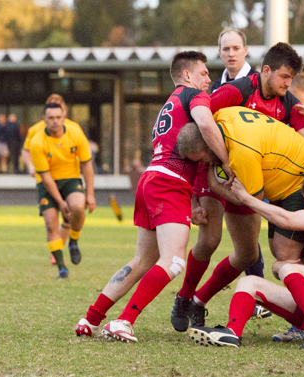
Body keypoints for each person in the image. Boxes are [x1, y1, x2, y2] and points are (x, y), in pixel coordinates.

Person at [74, 51, 228, 343]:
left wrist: (194, 202)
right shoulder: (194, 95)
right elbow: (206, 126)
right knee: (174, 262)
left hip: (151, 178)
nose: (209, 78)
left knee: (143, 259)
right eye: (204, 72)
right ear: (187, 75)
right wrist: (226, 160)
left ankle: (91, 318)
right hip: (170, 182)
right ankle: (124, 321)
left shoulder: (169, 104)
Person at [173, 41, 304, 332]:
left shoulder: (288, 101)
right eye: (285, 77)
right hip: (212, 170)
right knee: (209, 240)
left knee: (249, 254)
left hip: (249, 181)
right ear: (266, 71)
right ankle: (185, 297)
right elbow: (193, 135)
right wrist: (195, 196)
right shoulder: (235, 91)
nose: (289, 84)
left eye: (292, 79)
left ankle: (199, 300)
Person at [189, 167, 304, 350]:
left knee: (287, 269)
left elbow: (287, 220)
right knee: (248, 283)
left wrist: (246, 198)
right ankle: (232, 332)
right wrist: (280, 266)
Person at [28, 103, 96, 278]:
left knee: (78, 207)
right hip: (47, 182)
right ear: (44, 119)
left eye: (58, 118)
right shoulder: (37, 142)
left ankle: (73, 240)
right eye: (51, 118)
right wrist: (60, 201)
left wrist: (90, 194)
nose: (55, 122)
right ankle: (61, 268)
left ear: (63, 117)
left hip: (71, 179)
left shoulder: (75, 133)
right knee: (51, 224)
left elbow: (87, 164)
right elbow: (45, 177)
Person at [22, 94, 82, 262]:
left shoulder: (73, 128)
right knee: (52, 220)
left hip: (69, 178)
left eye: (58, 106)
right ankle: (57, 255)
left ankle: (66, 245)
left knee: (71, 214)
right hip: (47, 179)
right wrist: (30, 165)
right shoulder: (36, 130)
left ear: (64, 109)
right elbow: (26, 150)